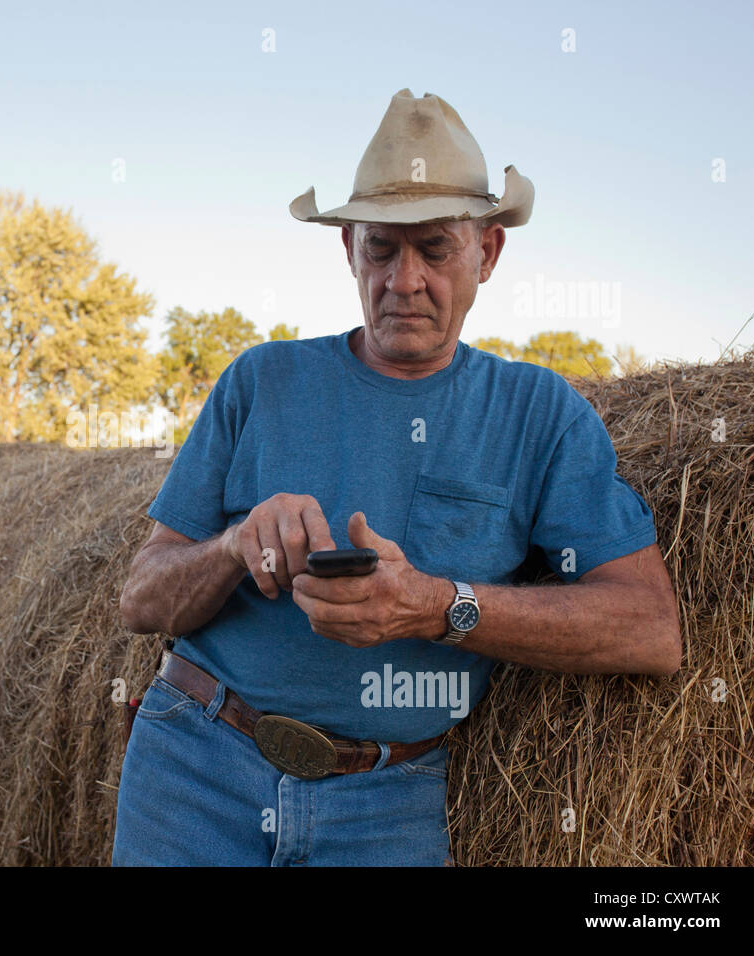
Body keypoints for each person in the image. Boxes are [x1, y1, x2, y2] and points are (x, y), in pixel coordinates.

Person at [111, 89, 682, 867]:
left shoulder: (539, 413)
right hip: (195, 768)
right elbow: (142, 600)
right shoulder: (261, 381)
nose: (404, 279)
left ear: (488, 252)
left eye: (435, 249)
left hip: (388, 805)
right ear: (348, 248)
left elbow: (649, 630)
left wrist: (436, 607)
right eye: (381, 248)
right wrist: (234, 547)